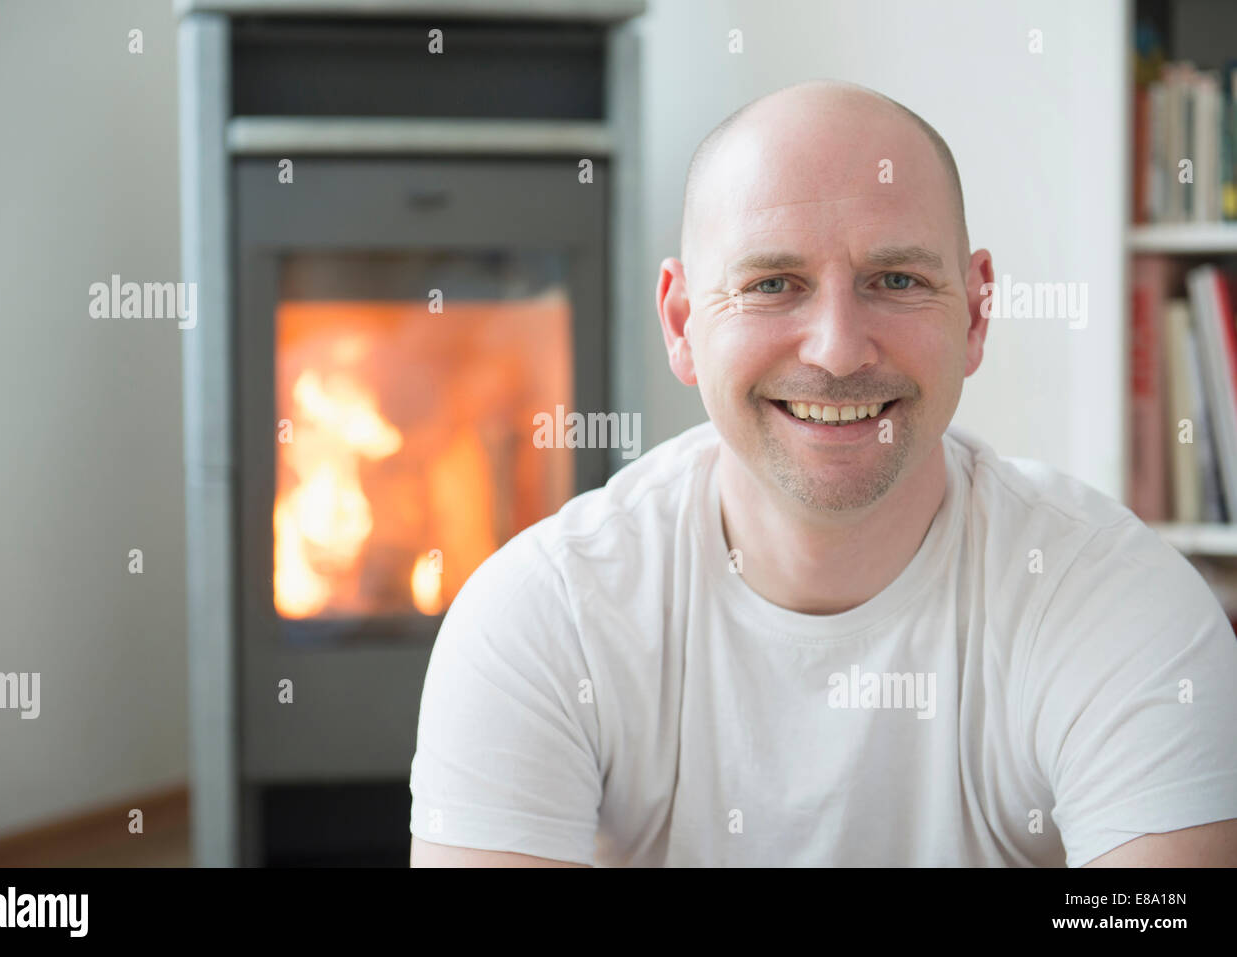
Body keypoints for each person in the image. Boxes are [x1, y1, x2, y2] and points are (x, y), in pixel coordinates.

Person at [408, 80, 1237, 867]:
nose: (838, 348)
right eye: (774, 284)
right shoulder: (543, 617)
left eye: (897, 280)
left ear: (978, 312)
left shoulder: (1111, 597)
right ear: (683, 321)